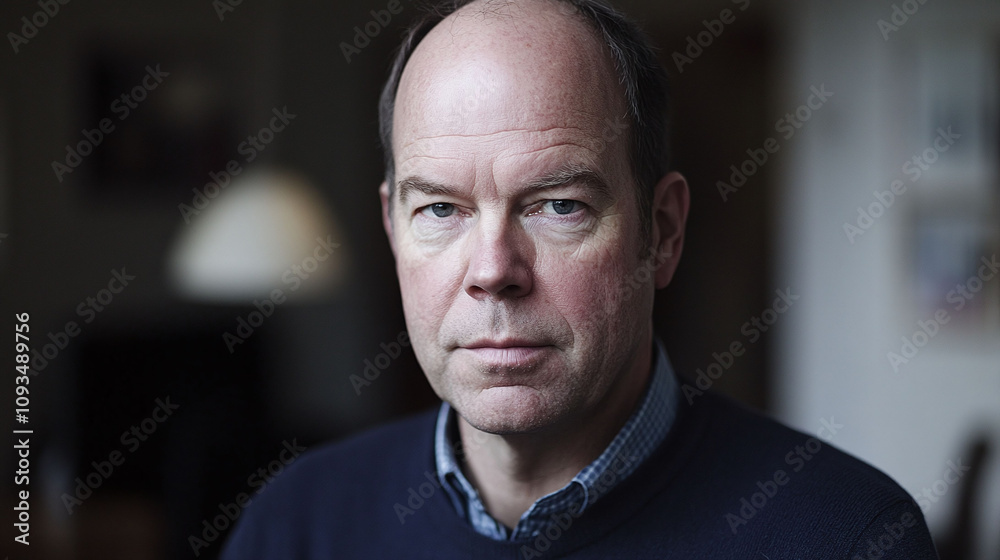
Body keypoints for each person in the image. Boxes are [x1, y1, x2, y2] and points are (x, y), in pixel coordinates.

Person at [222, 0, 940, 557]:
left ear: (661, 232)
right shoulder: (293, 526)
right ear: (391, 229)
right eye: (441, 209)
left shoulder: (845, 537)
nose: (493, 270)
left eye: (559, 205)